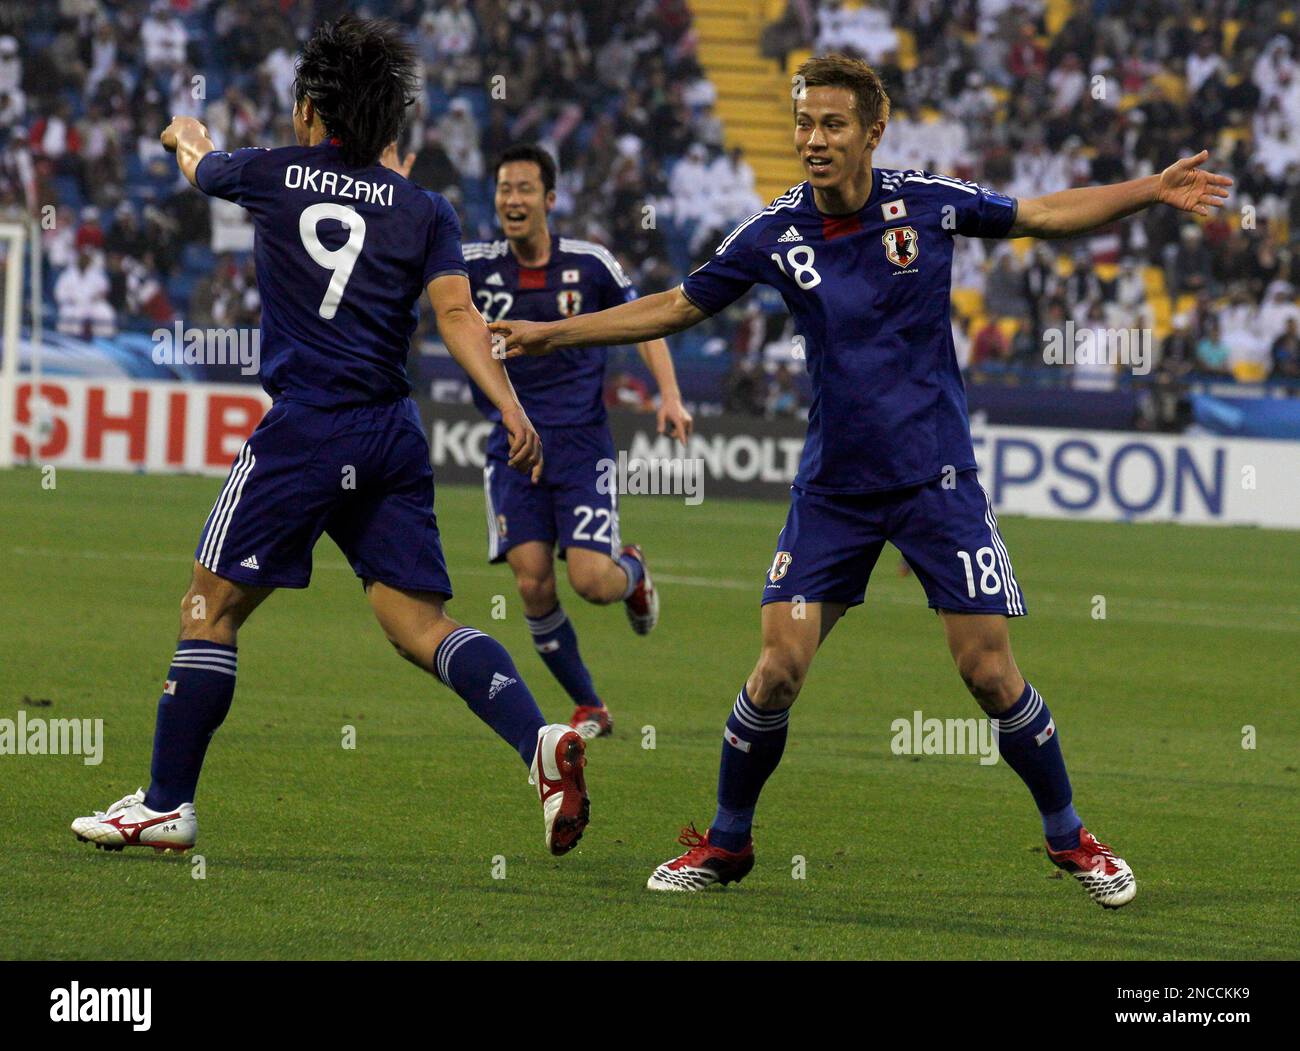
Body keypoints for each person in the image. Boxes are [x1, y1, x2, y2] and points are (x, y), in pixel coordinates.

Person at [490, 53, 1232, 909]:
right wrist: (553, 335)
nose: (813, 139)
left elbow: (1044, 213)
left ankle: (1071, 837)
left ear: (872, 132)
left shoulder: (928, 201)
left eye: (832, 124)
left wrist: (1148, 189)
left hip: (936, 479)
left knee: (989, 672)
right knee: (775, 670)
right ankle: (727, 843)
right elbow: (677, 304)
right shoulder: (773, 232)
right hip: (834, 489)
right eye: (804, 122)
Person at [70, 16, 591, 859]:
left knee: (207, 608)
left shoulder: (275, 175)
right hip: (391, 430)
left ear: (312, 108)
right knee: (420, 623)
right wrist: (510, 406)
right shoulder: (426, 209)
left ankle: (167, 802)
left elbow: (200, 162)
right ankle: (537, 740)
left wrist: (185, 129)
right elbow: (458, 315)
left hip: (308, 426)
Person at [462, 143, 693, 739]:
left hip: (581, 448)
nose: (513, 200)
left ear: (550, 200)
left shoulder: (590, 265)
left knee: (592, 582)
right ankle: (590, 704)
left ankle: (632, 573)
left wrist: (669, 395)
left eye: (524, 189)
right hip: (513, 446)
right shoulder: (475, 267)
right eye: (504, 189)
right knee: (533, 581)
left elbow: (648, 320)